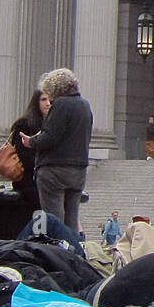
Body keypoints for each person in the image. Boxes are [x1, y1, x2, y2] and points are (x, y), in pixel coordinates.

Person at [20, 68, 93, 234]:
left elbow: (50, 137)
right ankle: (72, 253)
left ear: (55, 89)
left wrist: (31, 141)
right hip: (78, 171)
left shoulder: (61, 105)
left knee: (53, 220)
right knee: (72, 220)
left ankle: (56, 253)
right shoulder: (84, 105)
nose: (49, 99)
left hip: (54, 171)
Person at [7, 89, 47, 209]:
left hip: (47, 180)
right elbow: (22, 155)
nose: (48, 103)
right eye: (43, 100)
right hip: (27, 180)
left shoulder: (53, 124)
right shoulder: (24, 124)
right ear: (36, 102)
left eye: (50, 100)